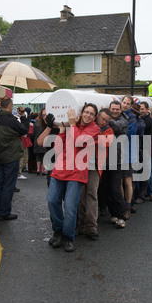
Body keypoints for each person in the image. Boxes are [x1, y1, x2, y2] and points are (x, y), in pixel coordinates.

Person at [47, 104, 100, 252]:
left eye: (91, 114)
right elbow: (58, 147)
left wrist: (71, 125)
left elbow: (79, 141)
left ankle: (68, 237)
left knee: (70, 208)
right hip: (60, 168)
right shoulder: (72, 124)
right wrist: (63, 131)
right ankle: (58, 231)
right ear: (81, 113)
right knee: (52, 201)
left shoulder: (95, 129)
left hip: (76, 172)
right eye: (86, 112)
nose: (88, 115)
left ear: (95, 117)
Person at [0, 97, 30, 221]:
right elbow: (24, 130)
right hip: (11, 156)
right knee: (8, 185)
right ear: (10, 106)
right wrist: (23, 115)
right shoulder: (12, 121)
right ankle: (4, 212)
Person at [77, 108, 114, 240]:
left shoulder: (108, 130)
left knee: (92, 195)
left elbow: (107, 142)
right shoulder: (84, 125)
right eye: (102, 118)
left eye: (106, 120)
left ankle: (91, 226)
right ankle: (80, 224)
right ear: (97, 116)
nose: (104, 122)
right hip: (81, 165)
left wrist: (91, 137)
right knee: (81, 195)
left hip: (95, 167)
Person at [98, 100, 128, 229]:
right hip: (104, 161)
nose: (115, 111)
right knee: (105, 189)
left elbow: (115, 127)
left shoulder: (123, 121)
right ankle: (114, 214)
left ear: (120, 110)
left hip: (116, 161)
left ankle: (121, 215)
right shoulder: (105, 122)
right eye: (113, 109)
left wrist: (103, 117)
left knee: (116, 190)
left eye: (117, 109)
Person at [121, 95, 137, 218]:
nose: (125, 105)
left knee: (127, 181)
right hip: (118, 154)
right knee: (119, 181)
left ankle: (128, 206)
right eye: (123, 102)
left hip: (127, 154)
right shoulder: (118, 115)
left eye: (127, 103)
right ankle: (122, 205)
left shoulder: (131, 118)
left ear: (131, 106)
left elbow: (129, 133)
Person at [16, 106, 32, 179]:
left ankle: (19, 172)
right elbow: (27, 131)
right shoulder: (19, 120)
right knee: (22, 157)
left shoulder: (23, 120)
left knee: (25, 157)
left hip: (24, 140)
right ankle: (18, 173)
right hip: (22, 140)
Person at [32, 107, 48, 176]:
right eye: (43, 115)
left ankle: (38, 169)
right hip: (43, 142)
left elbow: (34, 133)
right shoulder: (45, 126)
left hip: (36, 141)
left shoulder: (36, 124)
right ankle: (43, 170)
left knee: (38, 157)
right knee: (44, 156)